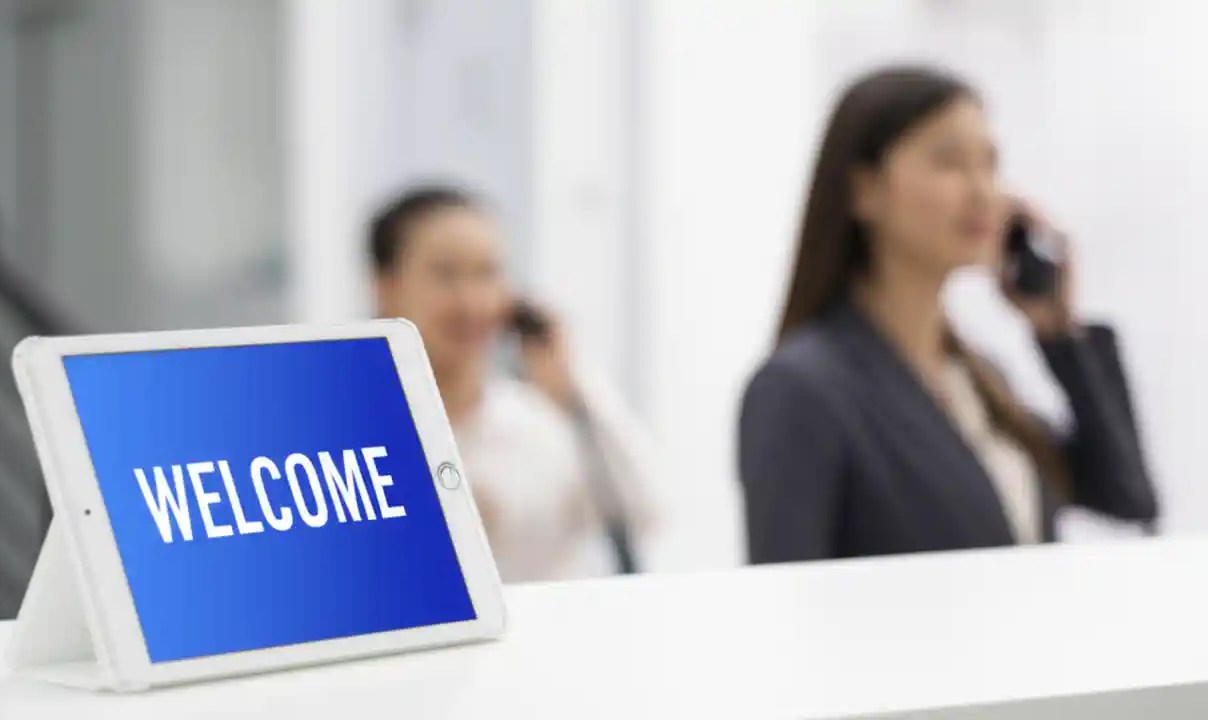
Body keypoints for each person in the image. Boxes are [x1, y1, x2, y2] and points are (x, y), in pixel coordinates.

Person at [738, 67, 1158, 564]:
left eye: (991, 164)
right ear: (864, 190)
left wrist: (1058, 331)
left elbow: (1127, 497)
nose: (984, 192)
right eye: (951, 162)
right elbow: (784, 599)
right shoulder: (802, 389)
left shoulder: (979, 382)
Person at [368, 185, 656, 581]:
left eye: (488, 273)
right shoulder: (350, 431)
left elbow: (647, 508)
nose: (471, 301)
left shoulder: (542, 421)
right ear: (385, 285)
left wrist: (570, 388)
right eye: (445, 274)